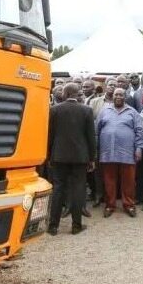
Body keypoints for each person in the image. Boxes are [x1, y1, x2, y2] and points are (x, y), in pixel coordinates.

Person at [46, 83, 96, 236]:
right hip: (80, 157)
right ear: (76, 94)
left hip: (59, 156)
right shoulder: (87, 110)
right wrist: (92, 158)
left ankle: (53, 226)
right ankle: (76, 225)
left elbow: (50, 135)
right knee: (78, 189)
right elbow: (91, 137)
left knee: (58, 189)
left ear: (65, 94)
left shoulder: (54, 110)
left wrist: (49, 155)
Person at [95, 88, 143, 218]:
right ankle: (109, 205)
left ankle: (129, 205)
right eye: (116, 94)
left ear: (125, 97)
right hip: (108, 152)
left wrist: (139, 148)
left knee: (129, 181)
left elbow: (140, 131)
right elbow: (96, 131)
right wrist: (95, 149)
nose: (118, 96)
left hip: (128, 153)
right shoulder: (104, 111)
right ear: (112, 96)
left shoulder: (133, 112)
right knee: (109, 181)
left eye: (121, 95)